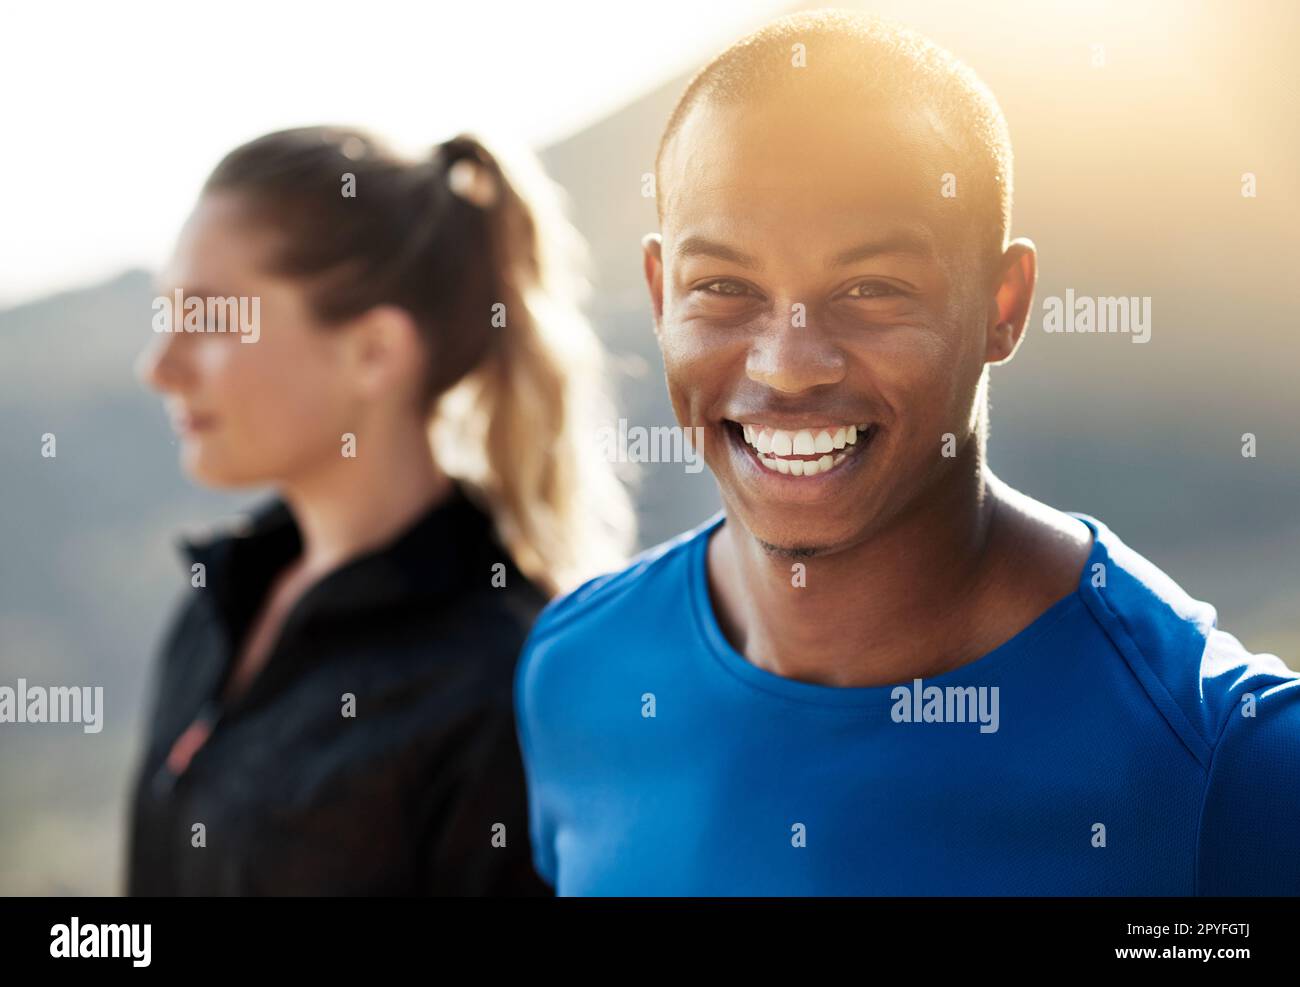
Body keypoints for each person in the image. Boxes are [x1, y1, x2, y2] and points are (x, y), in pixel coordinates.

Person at [514, 11, 1300, 895]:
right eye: (724, 287)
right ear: (661, 295)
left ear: (1004, 304)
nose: (788, 364)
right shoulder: (576, 672)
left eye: (872, 288)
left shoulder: (1229, 762)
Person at [128, 126, 634, 894]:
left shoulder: (499, 691)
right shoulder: (216, 605)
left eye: (207, 318)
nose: (158, 366)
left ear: (373, 352)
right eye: (166, 314)